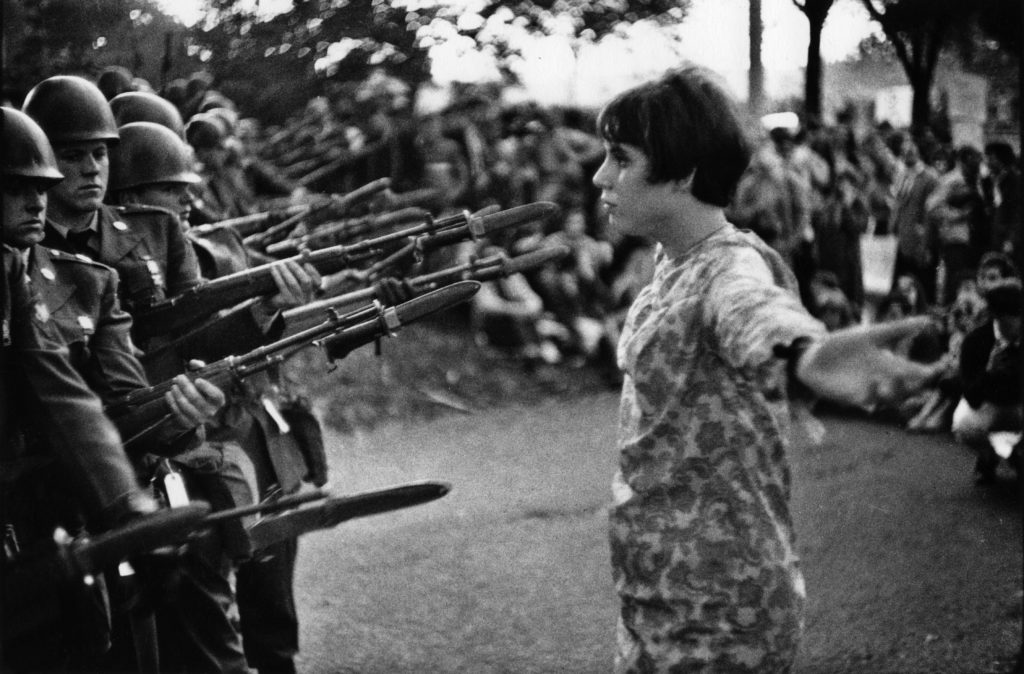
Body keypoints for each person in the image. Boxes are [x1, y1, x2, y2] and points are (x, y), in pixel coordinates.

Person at [591, 67, 940, 672]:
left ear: (684, 174)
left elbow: (755, 313)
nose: (601, 175)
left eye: (621, 158)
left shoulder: (730, 269)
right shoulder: (674, 258)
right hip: (658, 596)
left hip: (718, 611)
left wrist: (806, 355)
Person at [952, 278, 1023, 484]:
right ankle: (990, 455)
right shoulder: (976, 341)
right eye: (1008, 319)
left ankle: (1016, 453)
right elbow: (971, 396)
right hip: (988, 405)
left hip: (1019, 404)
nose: (1016, 324)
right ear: (996, 317)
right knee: (963, 424)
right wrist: (989, 372)